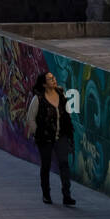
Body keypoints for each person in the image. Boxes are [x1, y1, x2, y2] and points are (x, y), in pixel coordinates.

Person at [25, 70, 76, 207]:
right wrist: (38, 132)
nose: (53, 79)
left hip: (61, 136)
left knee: (64, 163)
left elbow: (66, 113)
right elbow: (30, 118)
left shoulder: (61, 94)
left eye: (53, 77)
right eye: (49, 79)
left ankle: (67, 195)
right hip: (45, 138)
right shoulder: (38, 99)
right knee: (46, 165)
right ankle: (46, 194)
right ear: (44, 84)